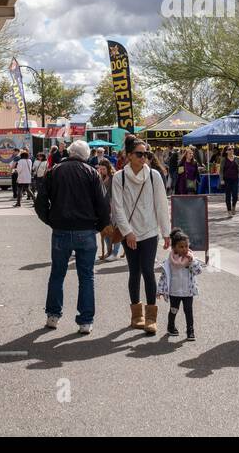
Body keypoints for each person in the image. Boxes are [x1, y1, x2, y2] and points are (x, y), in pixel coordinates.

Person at [37, 138, 110, 334]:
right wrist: (100, 226)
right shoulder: (92, 173)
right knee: (86, 277)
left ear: (69, 152)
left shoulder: (54, 171)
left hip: (61, 228)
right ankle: (85, 321)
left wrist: (50, 220)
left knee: (57, 274)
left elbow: (40, 201)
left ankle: (53, 315)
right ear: (86, 156)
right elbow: (103, 204)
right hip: (86, 229)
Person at [111, 140, 170, 335]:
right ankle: (136, 315)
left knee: (148, 271)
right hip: (130, 231)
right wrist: (127, 232)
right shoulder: (119, 177)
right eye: (139, 154)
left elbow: (162, 205)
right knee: (134, 271)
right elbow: (117, 207)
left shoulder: (154, 176)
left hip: (150, 231)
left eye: (146, 154)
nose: (143, 157)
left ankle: (151, 317)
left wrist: (166, 232)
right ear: (128, 156)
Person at [159, 227, 204, 340]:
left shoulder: (191, 259)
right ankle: (171, 326)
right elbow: (164, 276)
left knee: (188, 311)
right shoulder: (169, 261)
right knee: (173, 310)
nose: (184, 249)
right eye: (181, 247)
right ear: (174, 248)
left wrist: (192, 262)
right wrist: (160, 290)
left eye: (186, 246)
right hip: (174, 291)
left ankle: (190, 330)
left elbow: (198, 271)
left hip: (188, 292)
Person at [220, 145, 239, 217]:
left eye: (232, 149)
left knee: (235, 195)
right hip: (227, 180)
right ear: (226, 151)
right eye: (229, 149)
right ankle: (229, 210)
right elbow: (221, 171)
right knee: (228, 196)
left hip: (235, 179)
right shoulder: (224, 159)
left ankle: (233, 206)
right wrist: (222, 179)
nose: (231, 150)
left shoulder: (237, 159)